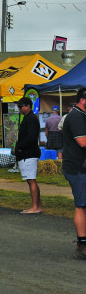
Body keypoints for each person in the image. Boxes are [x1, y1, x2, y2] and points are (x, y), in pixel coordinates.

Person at [60, 88, 86, 259]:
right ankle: (82, 245)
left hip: (81, 167)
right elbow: (83, 142)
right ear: (83, 100)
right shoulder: (76, 116)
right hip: (78, 168)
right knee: (81, 205)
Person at [14, 97, 43, 214]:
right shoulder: (28, 118)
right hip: (28, 153)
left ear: (27, 106)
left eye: (20, 107)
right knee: (30, 180)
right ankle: (38, 206)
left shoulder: (31, 118)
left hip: (29, 154)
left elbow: (31, 137)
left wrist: (20, 147)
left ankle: (35, 207)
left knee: (31, 180)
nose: (19, 109)